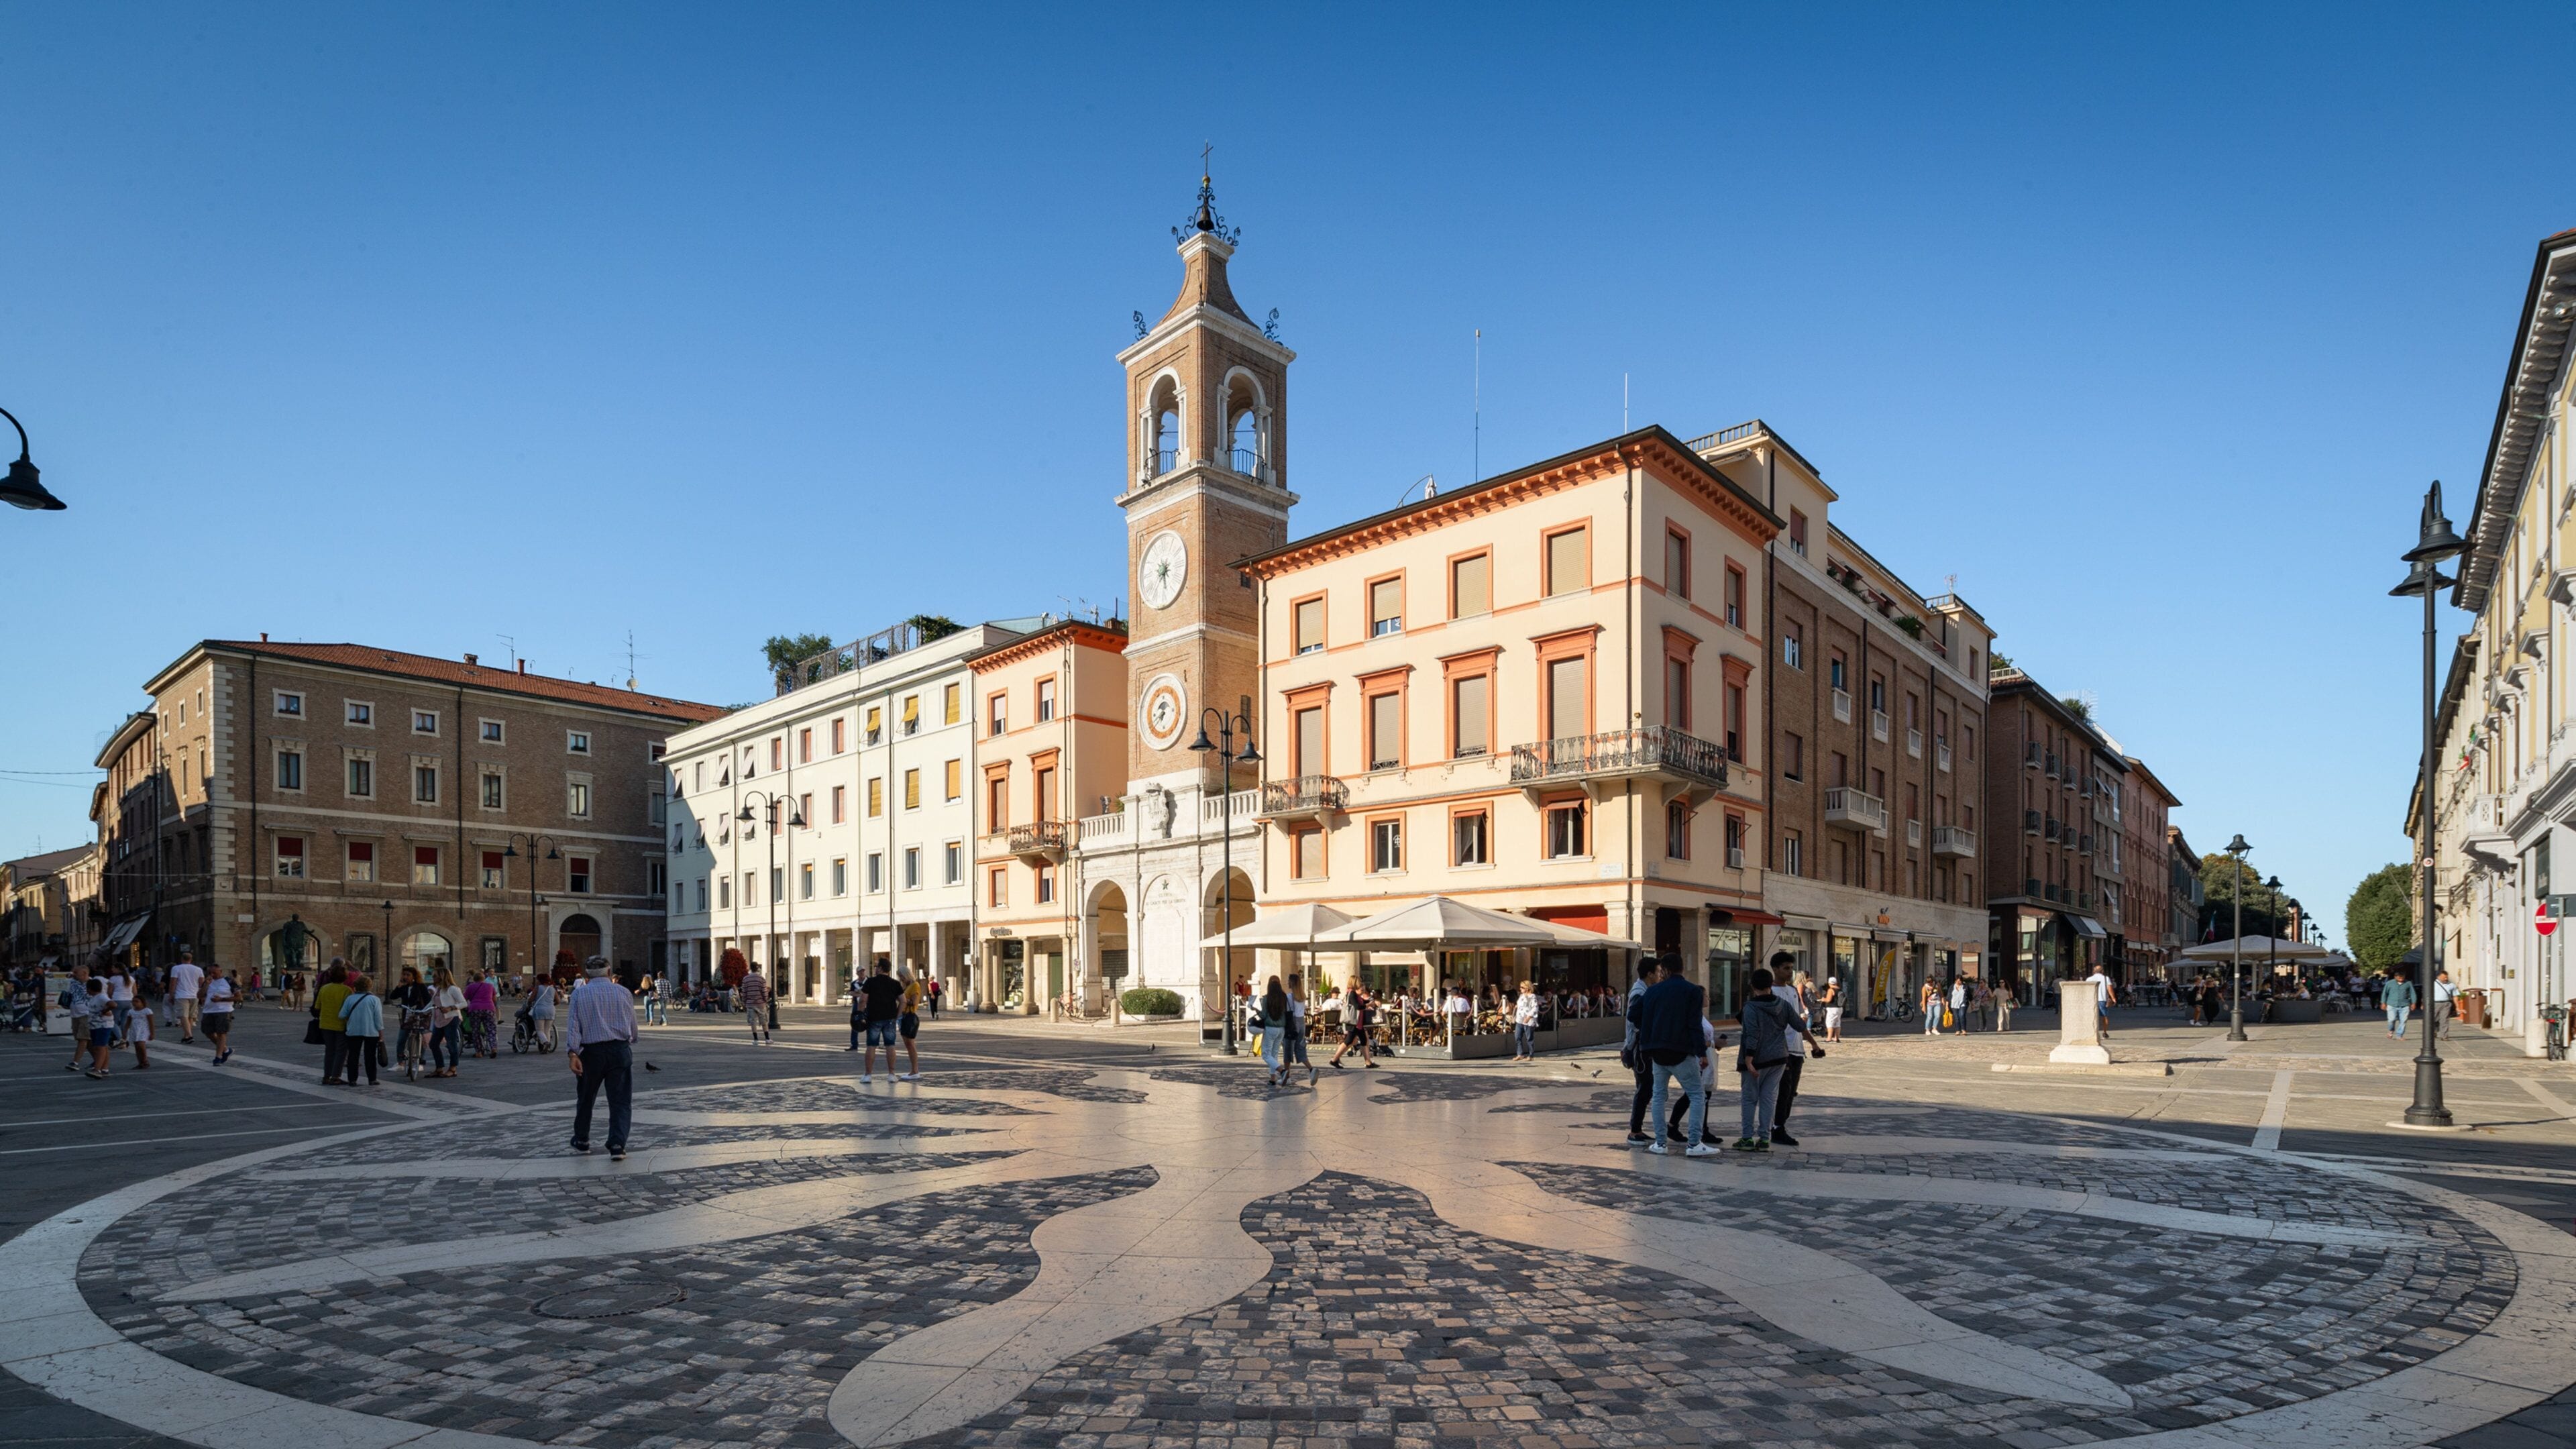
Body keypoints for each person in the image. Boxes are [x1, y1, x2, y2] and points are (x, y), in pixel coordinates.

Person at [1628, 953, 1716, 1157]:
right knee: (1697, 1094)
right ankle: (1694, 1143)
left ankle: (1661, 1143)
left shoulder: (1653, 992)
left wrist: (1651, 1028)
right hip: (1681, 1051)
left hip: (1657, 1052)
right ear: (1682, 968)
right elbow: (1694, 1025)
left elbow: (1633, 1015)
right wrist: (1701, 1053)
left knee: (1659, 1095)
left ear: (1665, 970)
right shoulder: (1692, 991)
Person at [564, 956, 639, 1160]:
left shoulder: (579, 994)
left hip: (591, 1053)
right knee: (621, 1100)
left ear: (587, 974)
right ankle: (617, 1145)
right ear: (608, 972)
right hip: (619, 1050)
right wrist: (628, 1041)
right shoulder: (624, 993)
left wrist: (573, 1053)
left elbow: (574, 1027)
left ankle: (582, 1140)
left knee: (586, 1098)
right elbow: (632, 1026)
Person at [1734, 966, 1809, 1152]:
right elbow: (1799, 1025)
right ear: (1770, 984)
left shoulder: (1751, 1007)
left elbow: (1752, 1034)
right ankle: (1765, 1138)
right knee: (1769, 1099)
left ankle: (1747, 1138)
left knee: (1750, 1099)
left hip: (1757, 1059)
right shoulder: (1783, 1004)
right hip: (1779, 1058)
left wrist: (1749, 1059)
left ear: (1752, 986)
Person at [1765, 953, 1823, 1147]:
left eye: (1791, 968)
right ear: (1775, 969)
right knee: (1783, 1090)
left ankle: (1780, 1125)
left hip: (1797, 1048)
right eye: (1786, 968)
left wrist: (1813, 1044)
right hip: (1781, 1049)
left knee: (1791, 1092)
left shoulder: (1791, 991)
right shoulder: (1769, 992)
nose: (1790, 972)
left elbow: (1798, 1022)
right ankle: (1777, 1128)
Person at [855, 958, 904, 1082]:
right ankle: (892, 1074)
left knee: (871, 1046)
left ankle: (868, 1075)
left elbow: (863, 999)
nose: (875, 968)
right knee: (890, 1046)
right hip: (890, 1019)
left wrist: (860, 1014)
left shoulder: (871, 982)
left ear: (881, 968)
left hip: (874, 1018)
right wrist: (897, 1015)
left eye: (877, 966)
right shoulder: (895, 983)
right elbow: (903, 1001)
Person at [1622, 972, 1655, 1146]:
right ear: (1650, 974)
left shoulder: (1641, 990)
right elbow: (1633, 1020)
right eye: (1657, 972)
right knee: (1644, 1088)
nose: (1659, 975)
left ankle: (1637, 1129)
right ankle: (1635, 1131)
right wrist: (1630, 1045)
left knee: (1646, 1088)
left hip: (1639, 1046)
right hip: (1640, 1049)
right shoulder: (1639, 993)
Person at [336, 973, 382, 1087]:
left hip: (353, 1031)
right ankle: (372, 1079)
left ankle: (352, 1079)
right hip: (371, 1031)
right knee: (370, 1056)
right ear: (370, 986)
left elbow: (342, 1015)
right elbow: (378, 1019)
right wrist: (381, 1034)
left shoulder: (350, 999)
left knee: (353, 1056)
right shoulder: (374, 1000)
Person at [313, 961, 352, 1084]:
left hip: (325, 1023)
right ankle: (336, 1076)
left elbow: (317, 1007)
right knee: (341, 1051)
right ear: (345, 977)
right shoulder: (347, 991)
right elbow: (349, 1009)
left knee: (329, 1050)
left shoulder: (324, 989)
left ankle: (326, 1076)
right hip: (341, 1024)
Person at [1329, 982, 1378, 1069]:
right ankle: (1334, 1060)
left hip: (1358, 1023)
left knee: (1363, 1040)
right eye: (1361, 988)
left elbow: (1362, 1002)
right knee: (1348, 1041)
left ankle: (1368, 1062)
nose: (1363, 990)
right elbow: (1358, 1006)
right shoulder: (1352, 993)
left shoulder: (1356, 995)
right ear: (1356, 986)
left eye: (1364, 988)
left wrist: (1370, 1002)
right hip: (1353, 1022)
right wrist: (1368, 1005)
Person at [429, 967, 466, 1077]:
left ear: (442, 977)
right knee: (433, 1044)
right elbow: (433, 1004)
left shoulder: (453, 989)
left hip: (451, 1018)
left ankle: (453, 1068)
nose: (433, 978)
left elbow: (464, 1003)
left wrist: (451, 1008)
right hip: (438, 1019)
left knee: (451, 1044)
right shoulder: (438, 989)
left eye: (435, 976)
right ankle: (439, 1068)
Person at [1256, 975, 1291, 1086]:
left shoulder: (1267, 998)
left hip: (1271, 1028)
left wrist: (1256, 1010)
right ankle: (1273, 1079)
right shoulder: (1284, 997)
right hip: (1282, 1029)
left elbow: (1264, 1015)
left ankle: (1282, 1071)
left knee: (1266, 1054)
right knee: (1274, 1053)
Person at [167, 947, 204, 1044]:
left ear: (182, 959)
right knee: (191, 1017)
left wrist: (171, 994)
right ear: (191, 960)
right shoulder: (198, 969)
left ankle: (189, 1035)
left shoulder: (176, 968)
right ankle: (186, 1035)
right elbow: (201, 983)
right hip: (194, 994)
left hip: (181, 995)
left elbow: (173, 982)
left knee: (183, 1016)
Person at [894, 963, 924, 1081]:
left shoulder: (915, 985)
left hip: (910, 1016)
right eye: (899, 976)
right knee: (908, 1044)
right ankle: (914, 1070)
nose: (901, 978)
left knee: (910, 1045)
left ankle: (915, 1070)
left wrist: (901, 999)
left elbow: (914, 1001)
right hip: (904, 1016)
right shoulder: (906, 986)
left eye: (902, 976)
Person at [201, 967, 237, 1063]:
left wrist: (221, 999)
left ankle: (218, 1057)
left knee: (221, 1033)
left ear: (221, 971)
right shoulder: (208, 981)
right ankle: (226, 1050)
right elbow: (199, 995)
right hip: (208, 1011)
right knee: (208, 1033)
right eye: (210, 973)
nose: (212, 975)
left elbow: (239, 997)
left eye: (214, 972)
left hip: (224, 1010)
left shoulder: (229, 981)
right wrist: (206, 985)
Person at [1285, 972, 1315, 1085]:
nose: (1287, 983)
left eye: (1288, 981)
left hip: (1292, 1024)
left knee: (1288, 1049)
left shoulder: (1289, 997)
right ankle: (1311, 1069)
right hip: (1302, 1023)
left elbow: (1288, 1011)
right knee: (1300, 1048)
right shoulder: (1302, 997)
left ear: (1291, 983)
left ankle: (1287, 1076)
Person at [464, 969, 499, 1057]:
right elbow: (494, 999)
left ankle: (479, 1052)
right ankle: (493, 1047)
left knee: (476, 1031)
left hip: (475, 1009)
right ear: (484, 978)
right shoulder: (490, 986)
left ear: (474, 979)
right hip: (489, 1008)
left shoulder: (470, 987)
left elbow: (464, 999)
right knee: (491, 1029)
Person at [123, 982, 155, 1069]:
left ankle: (145, 1060)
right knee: (137, 1046)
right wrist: (125, 1032)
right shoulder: (131, 1012)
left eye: (137, 1002)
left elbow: (151, 1023)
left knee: (141, 1045)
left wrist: (152, 1033)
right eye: (133, 1002)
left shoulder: (147, 1011)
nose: (134, 1003)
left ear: (142, 1003)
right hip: (134, 1030)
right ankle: (140, 1062)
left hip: (143, 1030)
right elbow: (128, 1022)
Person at [740, 965, 771, 1045]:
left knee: (753, 1022)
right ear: (757, 969)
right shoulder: (761, 979)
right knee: (764, 1021)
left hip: (750, 1004)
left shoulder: (746, 979)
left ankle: (756, 1039)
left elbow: (744, 992)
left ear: (750, 968)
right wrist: (765, 1000)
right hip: (760, 1003)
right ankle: (767, 1038)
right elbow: (764, 991)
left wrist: (744, 1002)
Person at [2082, 963, 2115, 1040]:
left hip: (2091, 1000)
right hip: (2102, 999)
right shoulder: (2106, 978)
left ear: (2094, 971)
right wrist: (2113, 998)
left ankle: (2092, 1032)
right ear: (2102, 971)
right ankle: (2105, 1032)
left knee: (2092, 1017)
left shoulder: (2089, 979)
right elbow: (2110, 989)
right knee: (2104, 1017)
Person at [1511, 981, 1540, 1062]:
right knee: (1517, 1037)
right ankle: (1520, 1054)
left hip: (1528, 1020)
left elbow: (1535, 1008)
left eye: (1522, 987)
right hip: (1520, 1019)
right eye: (1520, 987)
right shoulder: (1521, 996)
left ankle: (1531, 1055)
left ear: (1527, 988)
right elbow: (1520, 1004)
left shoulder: (1532, 996)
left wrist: (1529, 1017)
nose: (1520, 989)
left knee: (1529, 1038)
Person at [527, 976, 559, 1051]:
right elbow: (558, 1001)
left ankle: (545, 1042)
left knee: (540, 1030)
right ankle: (546, 1048)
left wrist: (529, 1003)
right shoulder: (553, 989)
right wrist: (551, 1005)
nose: (537, 982)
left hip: (540, 1010)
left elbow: (531, 999)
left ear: (541, 981)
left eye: (537, 980)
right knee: (547, 1030)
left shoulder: (538, 988)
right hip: (551, 1010)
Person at [2383, 970, 2416, 1038]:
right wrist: (2383, 1003)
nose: (2401, 979)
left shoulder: (2408, 983)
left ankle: (2399, 1035)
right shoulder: (2389, 983)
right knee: (2391, 1020)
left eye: (2403, 978)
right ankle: (2391, 1030)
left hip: (2405, 1005)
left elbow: (2413, 993)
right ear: (2395, 977)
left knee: (2403, 1021)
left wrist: (2413, 1003)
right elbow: (2385, 993)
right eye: (2399, 978)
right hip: (2392, 1004)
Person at [1817, 975, 1843, 1044]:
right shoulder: (1839, 989)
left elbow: (1828, 1000)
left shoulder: (1831, 990)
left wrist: (1823, 999)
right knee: (1837, 1023)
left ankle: (1829, 1039)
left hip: (1832, 1008)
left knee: (1830, 1023)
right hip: (1839, 1008)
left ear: (1829, 983)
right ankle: (1836, 1038)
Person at [2432, 967, 2456, 1040]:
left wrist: (2457, 1006)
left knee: (2444, 1020)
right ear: (2438, 977)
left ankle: (2444, 1036)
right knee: (2434, 1019)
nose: (2446, 979)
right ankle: (2434, 1031)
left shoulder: (2451, 985)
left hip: (2446, 1004)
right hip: (2435, 1003)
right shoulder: (2433, 984)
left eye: (2446, 977)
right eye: (2443, 978)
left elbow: (2455, 996)